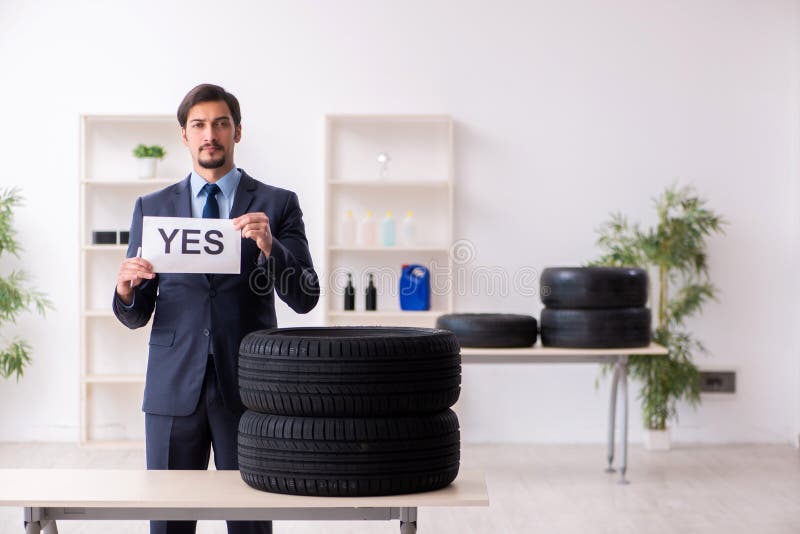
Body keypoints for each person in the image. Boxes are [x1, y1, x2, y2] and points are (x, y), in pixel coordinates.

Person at [112, 83, 319, 534]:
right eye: (199, 125)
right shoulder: (152, 208)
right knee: (168, 523)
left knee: (250, 522)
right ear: (184, 136)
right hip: (172, 389)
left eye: (221, 124)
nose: (211, 134)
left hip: (248, 389)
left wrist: (271, 247)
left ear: (238, 132)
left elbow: (305, 296)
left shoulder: (278, 205)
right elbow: (136, 312)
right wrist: (126, 291)